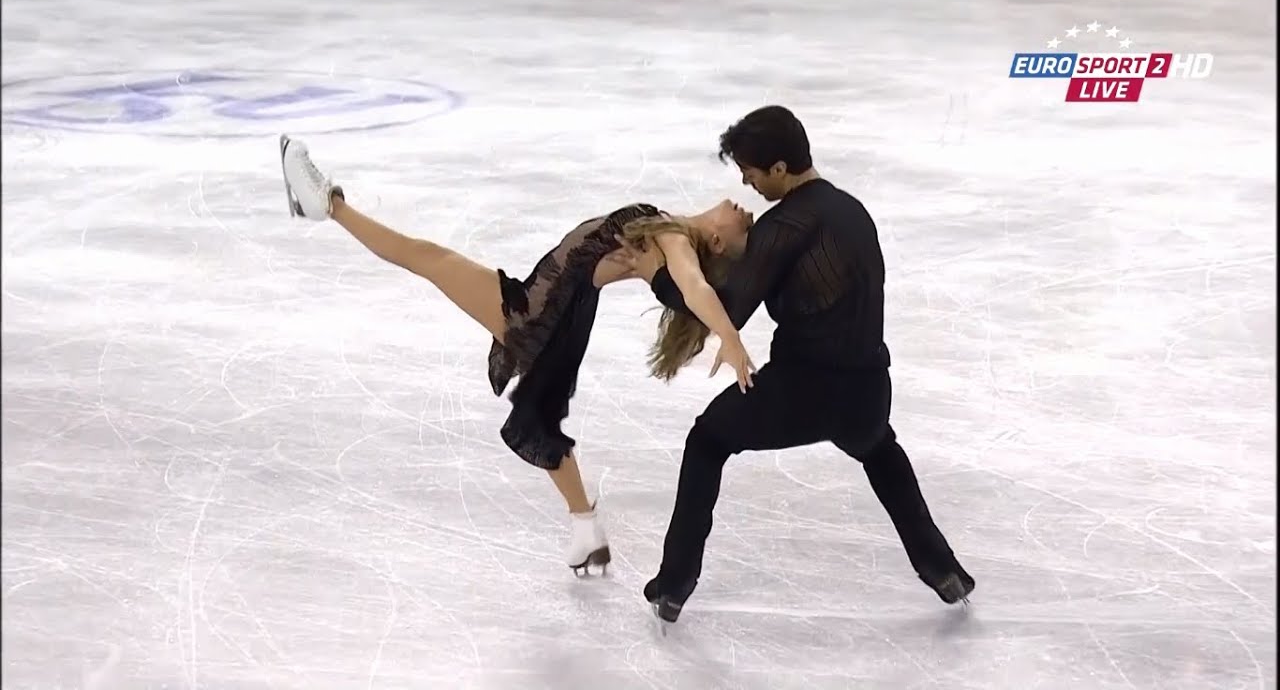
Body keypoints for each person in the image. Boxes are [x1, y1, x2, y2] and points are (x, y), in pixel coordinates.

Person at [274, 135, 759, 577]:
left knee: (424, 257)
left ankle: (327, 205)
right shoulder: (669, 229)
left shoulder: (675, 241)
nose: (745, 210)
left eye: (746, 225)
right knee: (540, 419)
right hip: (548, 304)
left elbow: (694, 288)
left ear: (716, 240)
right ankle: (586, 529)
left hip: (536, 310)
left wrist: (730, 339)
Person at [622, 106, 975, 623]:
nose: (745, 179)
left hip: (805, 391)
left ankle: (673, 585)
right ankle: (944, 572)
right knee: (879, 449)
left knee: (707, 441)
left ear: (781, 169)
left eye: (751, 170)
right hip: (871, 389)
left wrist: (658, 277)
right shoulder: (851, 210)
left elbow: (730, 309)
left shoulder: (785, 225)